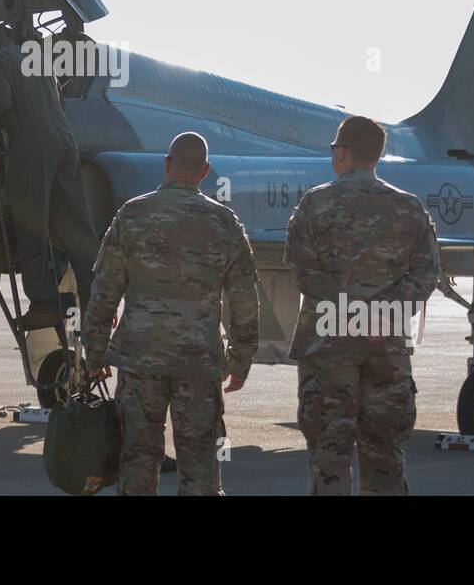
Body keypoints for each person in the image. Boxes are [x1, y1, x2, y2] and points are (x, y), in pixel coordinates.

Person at [83, 132, 259, 495]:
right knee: (200, 467)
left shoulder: (132, 215)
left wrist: (95, 351)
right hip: (198, 364)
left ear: (166, 164)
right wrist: (240, 361)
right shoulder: (224, 222)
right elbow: (244, 302)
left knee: (138, 459)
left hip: (139, 361)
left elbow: (103, 292)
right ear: (206, 171)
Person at [284, 115, 440, 495]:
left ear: (343, 152)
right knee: (386, 457)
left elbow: (304, 272)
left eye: (334, 147)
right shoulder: (408, 207)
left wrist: (350, 310)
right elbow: (425, 276)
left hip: (328, 349)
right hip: (384, 349)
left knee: (329, 459)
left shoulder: (315, 203)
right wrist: (380, 315)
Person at [0, 19, 102, 329]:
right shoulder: (34, 58)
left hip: (33, 148)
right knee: (77, 227)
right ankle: (96, 300)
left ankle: (44, 305)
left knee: (30, 227)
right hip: (65, 144)